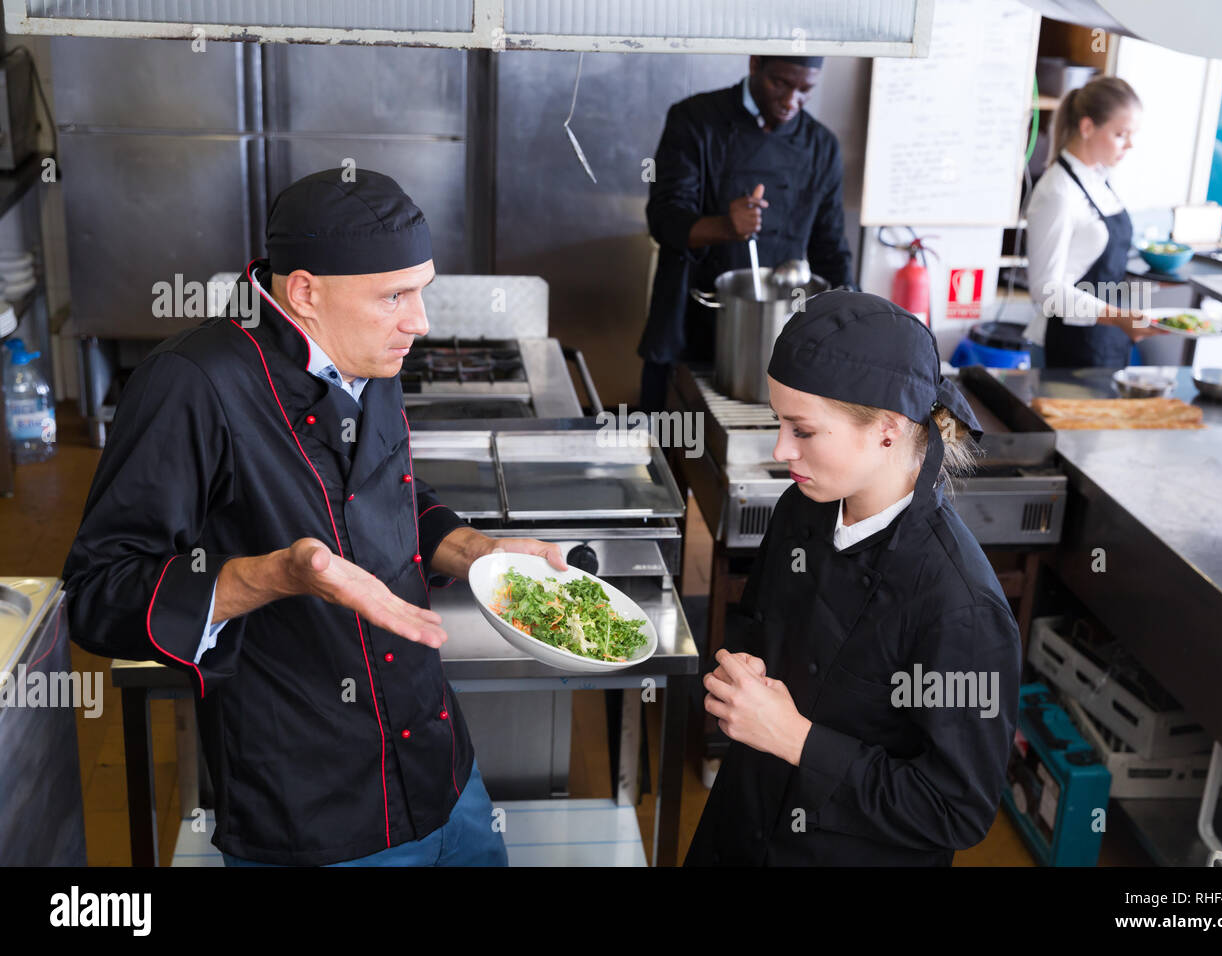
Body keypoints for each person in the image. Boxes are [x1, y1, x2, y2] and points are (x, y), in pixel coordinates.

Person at [61, 169, 567, 866]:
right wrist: (277, 575)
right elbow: (97, 594)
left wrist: (474, 550)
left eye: (423, 291)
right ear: (305, 292)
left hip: (442, 768)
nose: (420, 322)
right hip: (314, 810)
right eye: (395, 296)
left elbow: (388, 497)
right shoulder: (192, 385)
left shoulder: (370, 352)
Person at [684, 290, 1022, 866]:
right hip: (742, 826)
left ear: (888, 430)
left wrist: (795, 739)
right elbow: (757, 625)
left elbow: (955, 810)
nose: (780, 448)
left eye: (803, 431)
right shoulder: (802, 508)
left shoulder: (959, 605)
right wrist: (740, 671)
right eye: (778, 423)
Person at [638, 55, 857, 410]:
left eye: (805, 90)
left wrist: (854, 320)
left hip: (773, 337)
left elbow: (829, 247)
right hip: (686, 325)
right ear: (756, 65)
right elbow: (663, 219)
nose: (791, 101)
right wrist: (724, 226)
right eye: (781, 84)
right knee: (667, 444)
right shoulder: (694, 120)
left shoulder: (821, 146)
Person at [1025, 76, 1165, 367]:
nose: (1129, 145)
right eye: (1120, 134)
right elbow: (1044, 288)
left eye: (1132, 135)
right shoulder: (1057, 192)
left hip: (1108, 340)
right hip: (1066, 345)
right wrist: (1117, 317)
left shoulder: (1099, 180)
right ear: (1087, 127)